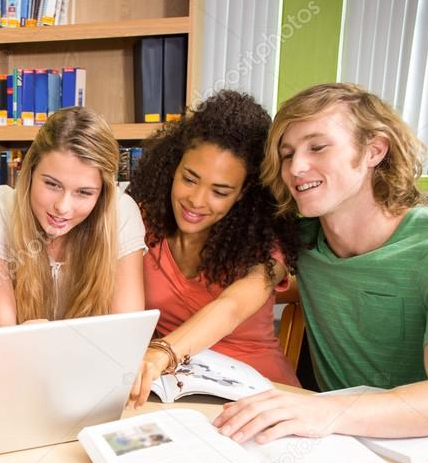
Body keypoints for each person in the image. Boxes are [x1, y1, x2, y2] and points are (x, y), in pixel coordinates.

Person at [214, 83, 428, 442]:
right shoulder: (303, 241)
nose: (297, 167)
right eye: (287, 154)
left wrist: (326, 411)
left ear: (374, 150)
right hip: (338, 444)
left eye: (318, 147)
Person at [126, 90, 301, 407]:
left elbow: (230, 308)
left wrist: (161, 352)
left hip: (257, 391)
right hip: (172, 389)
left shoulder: (265, 246)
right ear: (173, 167)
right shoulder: (142, 223)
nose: (196, 201)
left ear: (243, 191)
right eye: (189, 179)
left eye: (220, 191)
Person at [0, 106, 146, 324]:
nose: (63, 208)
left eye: (84, 192)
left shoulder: (121, 213)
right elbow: (1, 335)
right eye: (52, 184)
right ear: (30, 172)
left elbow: (125, 332)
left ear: (103, 193)